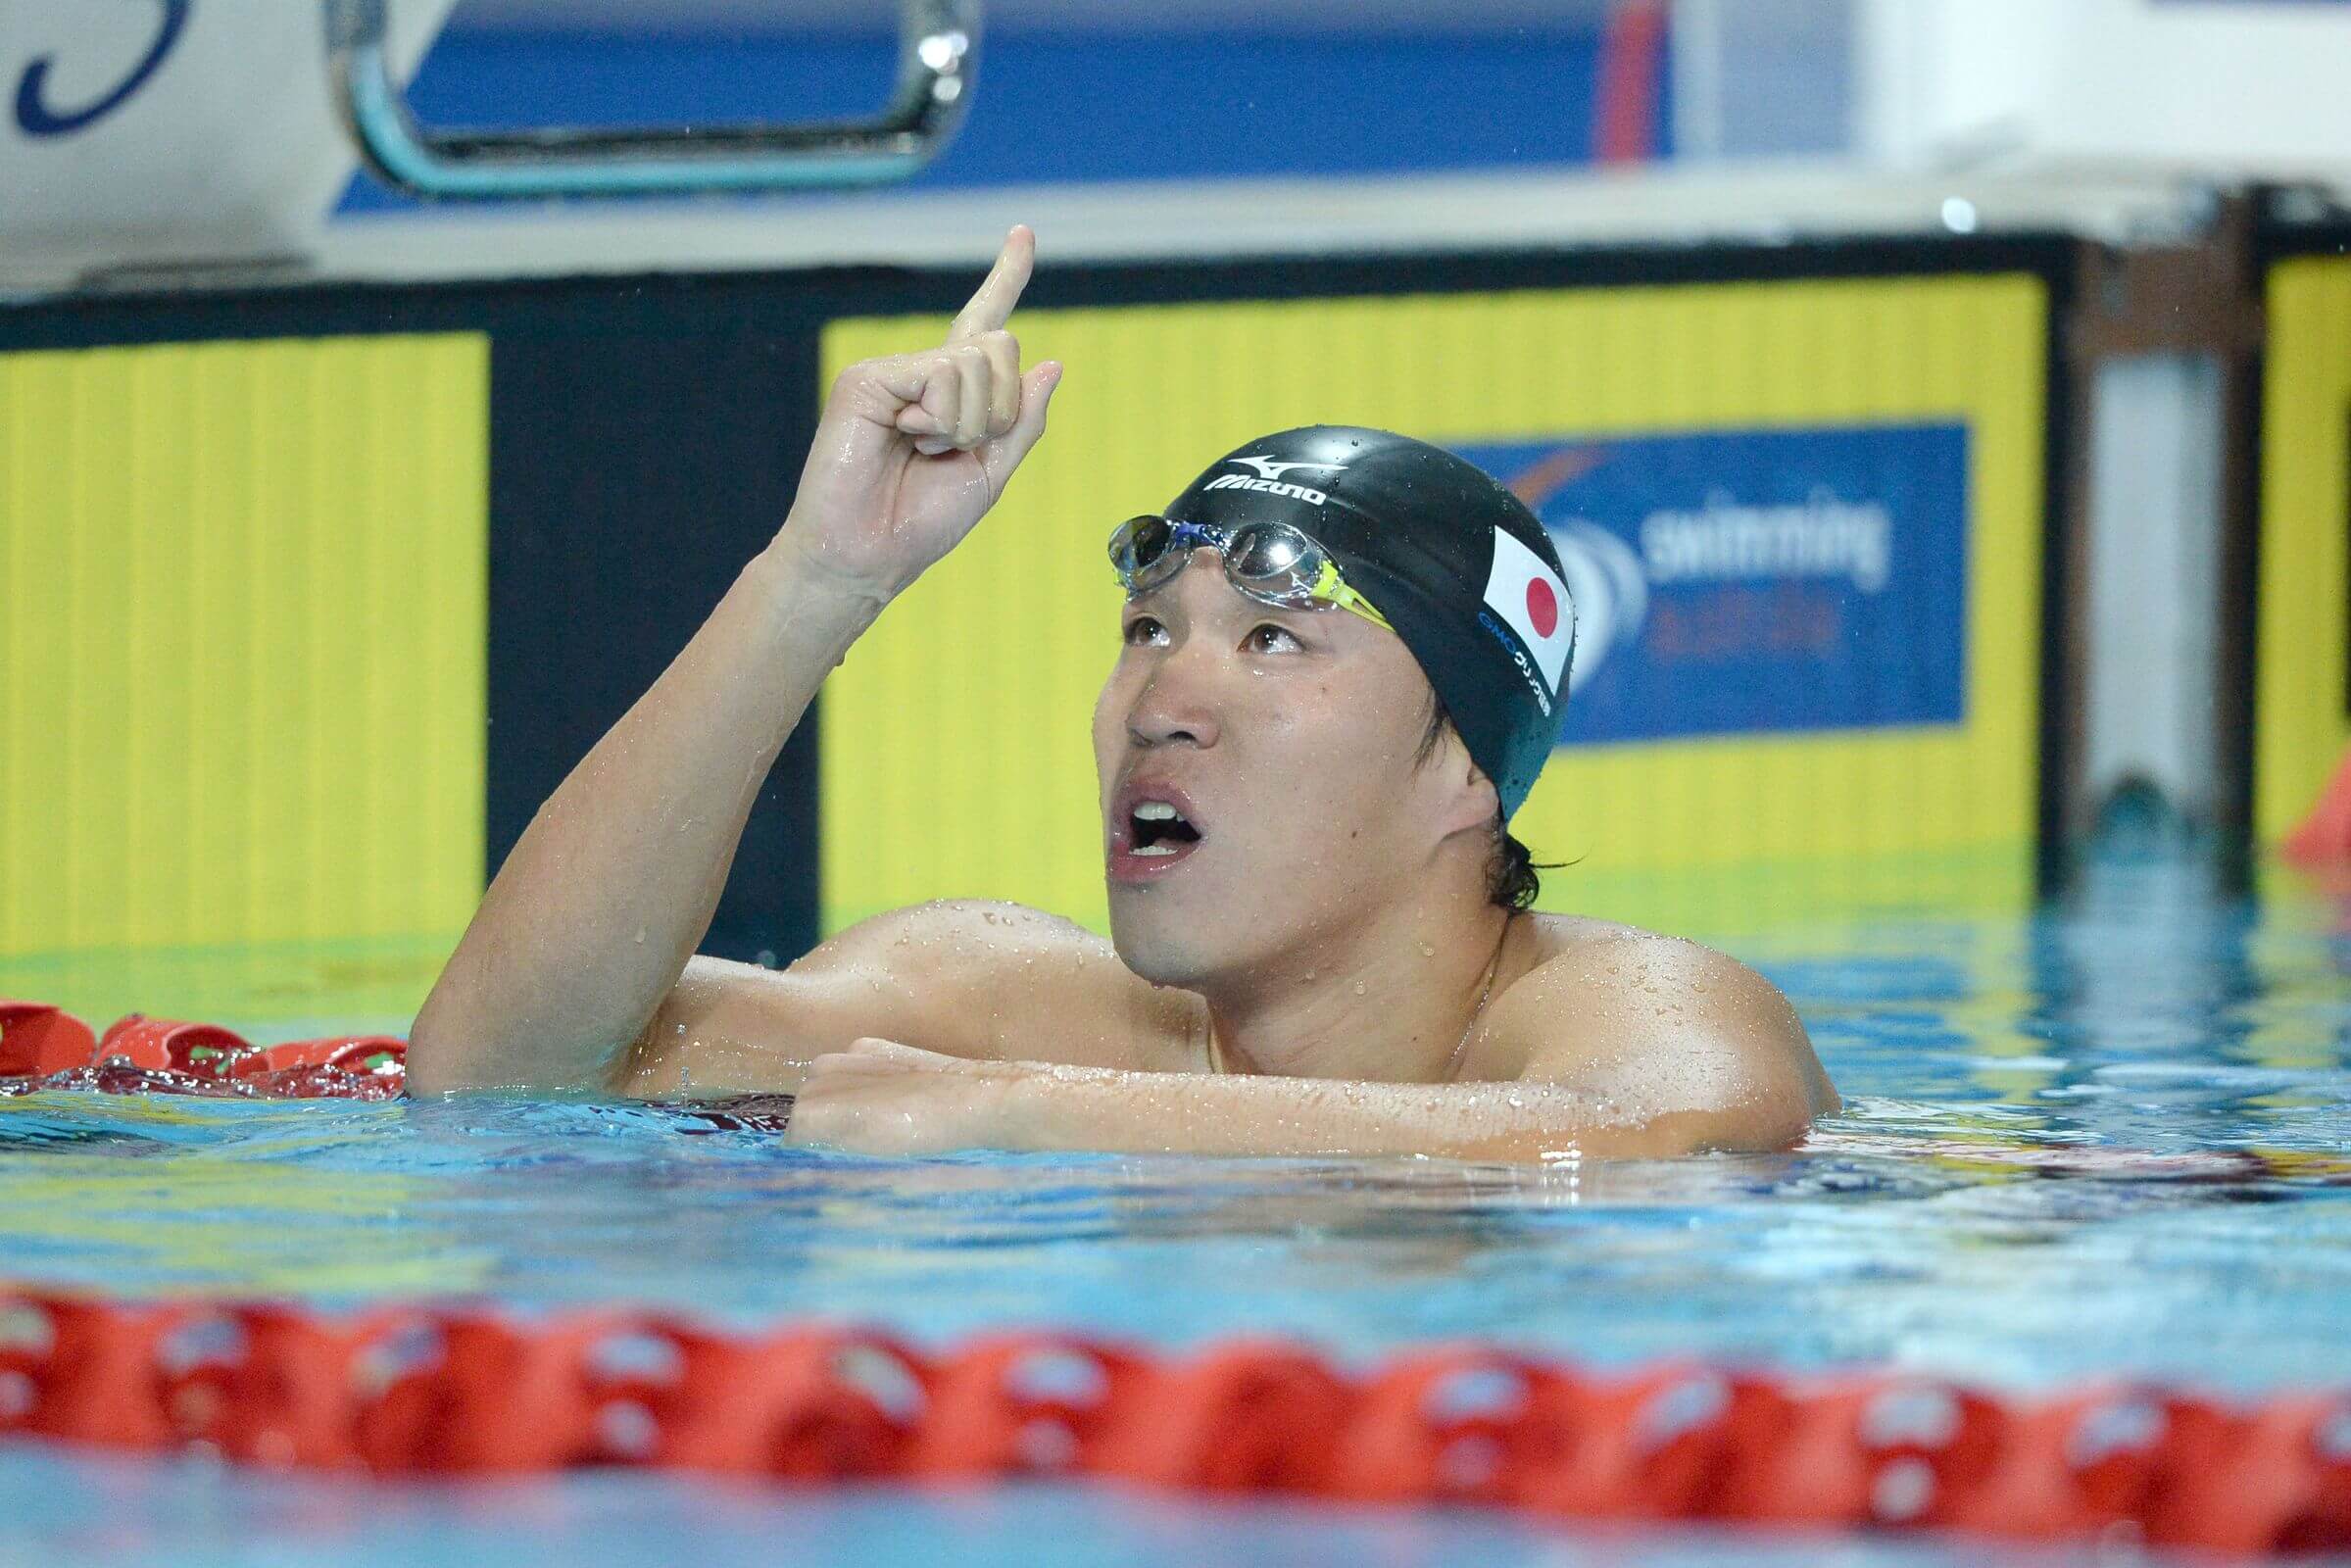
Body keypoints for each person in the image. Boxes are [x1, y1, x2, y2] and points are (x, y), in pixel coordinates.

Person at [406, 225, 1838, 1163]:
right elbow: (500, 1073)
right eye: (1149, 627)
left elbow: (1659, 1136)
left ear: (1464, 768)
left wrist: (1036, 1118)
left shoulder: (1626, 1005)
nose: (1165, 698)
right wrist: (815, 580)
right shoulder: (993, 990)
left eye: (1273, 642)